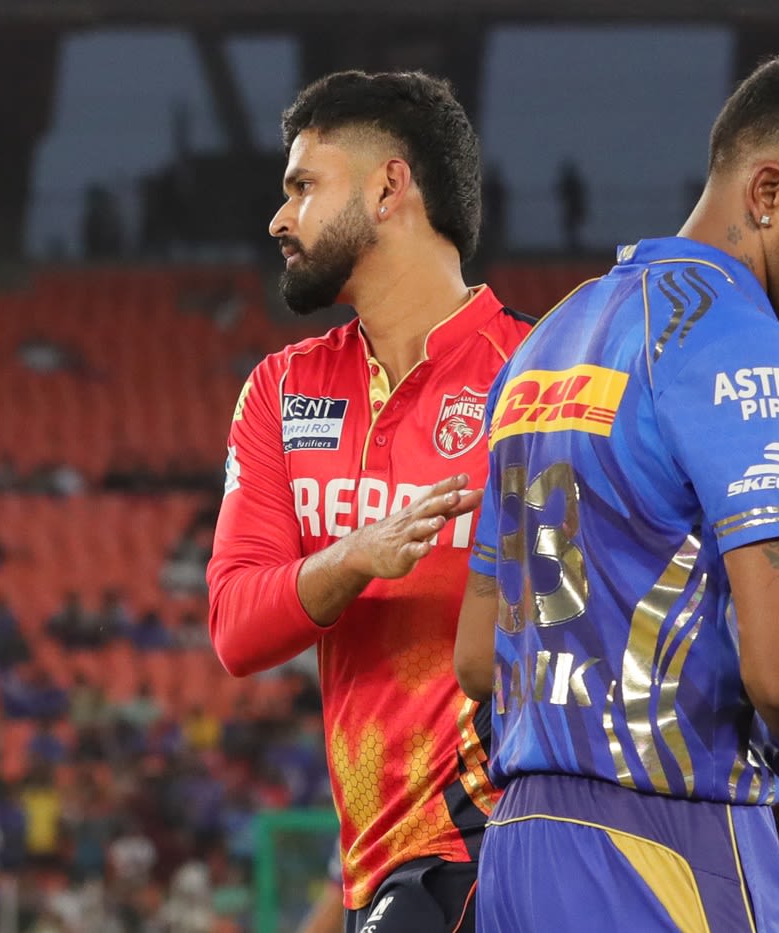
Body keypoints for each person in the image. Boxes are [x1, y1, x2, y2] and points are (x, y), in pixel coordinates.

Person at [454, 51, 779, 931]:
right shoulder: (742, 342)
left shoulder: (546, 339)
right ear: (768, 192)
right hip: (667, 845)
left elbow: (478, 657)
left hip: (520, 854)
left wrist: (720, 602)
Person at [206, 70, 533, 933]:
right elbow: (236, 626)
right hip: (378, 865)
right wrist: (354, 555)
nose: (280, 219)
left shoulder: (541, 378)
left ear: (390, 187)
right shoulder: (281, 390)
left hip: (506, 835)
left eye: (303, 187)